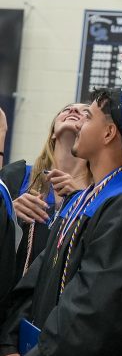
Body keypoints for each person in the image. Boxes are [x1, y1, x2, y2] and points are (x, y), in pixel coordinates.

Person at [0, 55, 122, 356]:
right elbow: (35, 279)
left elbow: (95, 307)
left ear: (109, 132)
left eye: (89, 117)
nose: (79, 124)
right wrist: (9, 343)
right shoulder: (83, 200)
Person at [0, 104, 90, 275]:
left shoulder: (97, 192)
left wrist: (79, 198)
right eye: (66, 109)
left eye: (86, 112)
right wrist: (7, 213)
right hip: (13, 294)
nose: (73, 111)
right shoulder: (16, 176)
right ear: (53, 133)